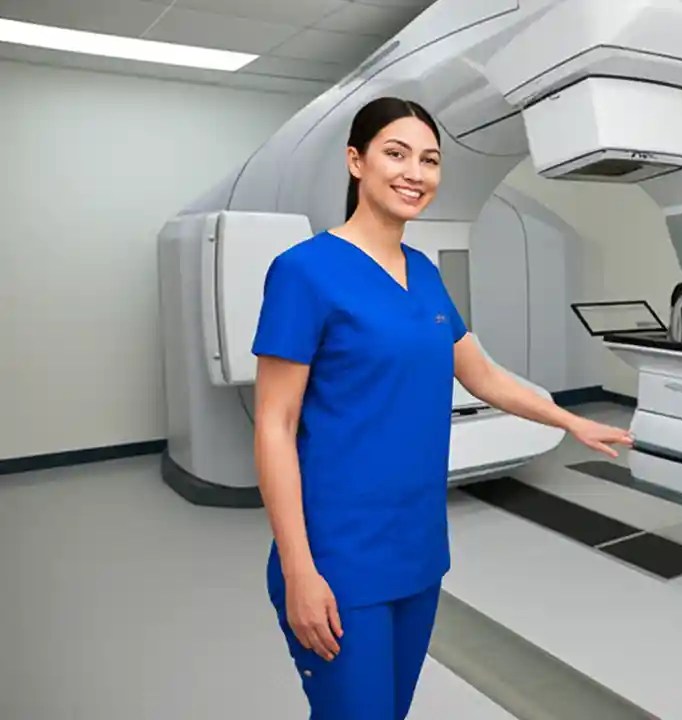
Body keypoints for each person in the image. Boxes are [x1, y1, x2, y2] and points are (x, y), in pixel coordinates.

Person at [251, 95, 634, 719]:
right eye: (395, 154)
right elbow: (275, 423)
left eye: (429, 160)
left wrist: (568, 419)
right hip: (337, 554)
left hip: (418, 547)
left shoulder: (423, 273)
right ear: (356, 161)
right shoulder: (304, 272)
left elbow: (479, 373)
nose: (415, 173)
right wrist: (299, 569)